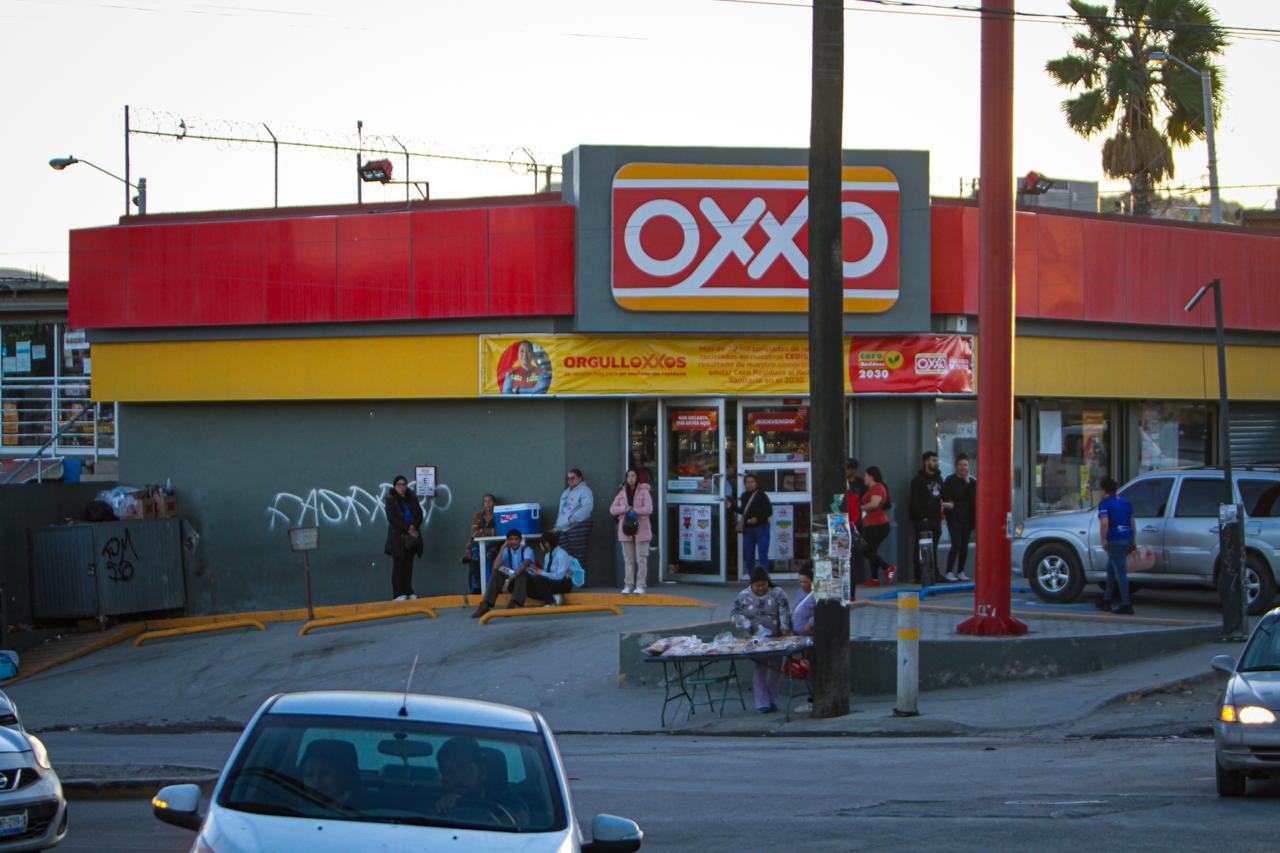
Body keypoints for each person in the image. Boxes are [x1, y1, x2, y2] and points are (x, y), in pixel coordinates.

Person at [731, 566, 793, 713]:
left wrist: (785, 629)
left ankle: (773, 699)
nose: (760, 588)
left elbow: (785, 611)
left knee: (776, 668)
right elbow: (734, 614)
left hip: (777, 637)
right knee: (760, 668)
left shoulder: (778, 593)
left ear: (768, 583)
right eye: (757, 586)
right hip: (755, 639)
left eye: (763, 585)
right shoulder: (743, 596)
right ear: (751, 585)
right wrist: (744, 622)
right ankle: (762, 702)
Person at [432, 737, 525, 824]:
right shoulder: (430, 801)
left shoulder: (509, 801)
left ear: (482, 771)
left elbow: (519, 821)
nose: (457, 778)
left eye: (464, 769)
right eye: (448, 772)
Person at [471, 530, 536, 618]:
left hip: (529, 580)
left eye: (516, 539)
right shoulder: (506, 550)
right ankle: (486, 604)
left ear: (520, 540)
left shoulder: (527, 550)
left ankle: (514, 603)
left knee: (521, 573)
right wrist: (502, 548)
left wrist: (508, 580)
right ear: (508, 541)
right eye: (511, 539)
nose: (514, 542)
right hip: (513, 577)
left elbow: (523, 566)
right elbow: (495, 566)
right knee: (497, 572)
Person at [610, 468, 654, 595]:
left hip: (641, 528)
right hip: (626, 529)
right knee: (628, 559)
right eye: (628, 476)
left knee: (641, 558)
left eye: (633, 475)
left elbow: (649, 508)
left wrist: (635, 510)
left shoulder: (644, 491)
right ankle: (628, 584)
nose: (630, 478)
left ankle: (641, 585)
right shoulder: (622, 492)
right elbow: (612, 509)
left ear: (637, 477)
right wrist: (625, 508)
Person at [1097, 476, 1137, 615]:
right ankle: (1106, 600)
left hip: (1115, 539)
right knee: (1111, 570)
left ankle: (1126, 604)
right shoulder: (1126, 502)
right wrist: (1133, 540)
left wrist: (1103, 540)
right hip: (1127, 538)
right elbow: (1132, 521)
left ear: (1103, 490)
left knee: (1120, 573)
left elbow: (1104, 523)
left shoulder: (1105, 504)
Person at [384, 475, 424, 601]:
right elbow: (392, 518)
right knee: (399, 565)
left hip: (411, 537)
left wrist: (414, 526)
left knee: (408, 565)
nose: (402, 487)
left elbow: (419, 513)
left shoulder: (411, 498)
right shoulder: (391, 499)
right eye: (399, 485)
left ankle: (408, 590)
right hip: (398, 537)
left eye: (404, 484)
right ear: (395, 486)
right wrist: (408, 528)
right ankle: (398, 593)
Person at [909, 451, 946, 586]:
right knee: (920, 548)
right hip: (923, 520)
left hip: (936, 519)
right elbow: (915, 501)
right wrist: (921, 517)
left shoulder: (939, 479)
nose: (935, 463)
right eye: (933, 460)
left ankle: (934, 573)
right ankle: (919, 575)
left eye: (937, 460)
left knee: (933, 548)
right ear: (926, 462)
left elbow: (944, 496)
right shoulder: (917, 480)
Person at [942, 454, 977, 582]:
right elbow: (948, 497)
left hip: (967, 518)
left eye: (965, 465)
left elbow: (973, 500)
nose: (963, 467)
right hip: (954, 516)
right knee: (956, 543)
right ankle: (949, 571)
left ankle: (961, 571)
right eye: (961, 465)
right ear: (956, 466)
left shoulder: (972, 482)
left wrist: (967, 482)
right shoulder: (949, 480)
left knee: (964, 545)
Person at [729, 473, 773, 572]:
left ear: (756, 483)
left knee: (762, 555)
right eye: (747, 482)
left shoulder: (761, 495)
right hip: (748, 530)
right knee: (749, 557)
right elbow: (744, 511)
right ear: (744, 484)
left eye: (752, 482)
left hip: (762, 529)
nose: (750, 484)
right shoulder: (744, 496)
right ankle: (752, 581)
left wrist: (757, 519)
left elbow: (769, 511)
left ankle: (764, 580)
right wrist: (732, 507)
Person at [859, 466, 895, 587]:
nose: (864, 478)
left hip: (878, 525)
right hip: (872, 524)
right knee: (872, 551)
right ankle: (874, 579)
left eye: (865, 475)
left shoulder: (877, 488)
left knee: (866, 550)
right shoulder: (874, 488)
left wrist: (859, 508)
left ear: (871, 476)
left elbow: (874, 504)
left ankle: (887, 567)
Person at [299, 739, 359, 806]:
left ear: (341, 777)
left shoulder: (365, 810)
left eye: (324, 774)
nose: (316, 780)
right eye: (309, 775)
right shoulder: (291, 806)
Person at [462, 493, 499, 594]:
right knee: (474, 555)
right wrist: (469, 545)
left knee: (488, 555)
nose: (488, 504)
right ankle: (477, 585)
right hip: (478, 545)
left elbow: (497, 532)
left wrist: (482, 531)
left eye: (490, 501)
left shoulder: (498, 515)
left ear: (494, 503)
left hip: (494, 545)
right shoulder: (478, 516)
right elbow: (474, 533)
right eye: (485, 501)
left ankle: (487, 586)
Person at [555, 468, 594, 561]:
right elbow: (561, 511)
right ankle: (568, 576)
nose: (570, 480)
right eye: (568, 478)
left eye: (573, 478)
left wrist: (572, 519)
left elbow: (587, 507)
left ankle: (579, 575)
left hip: (578, 527)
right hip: (563, 528)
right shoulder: (566, 492)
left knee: (578, 557)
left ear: (580, 478)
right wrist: (556, 526)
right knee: (564, 556)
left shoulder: (585, 490)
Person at [530, 531, 575, 606]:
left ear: (547, 543)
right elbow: (546, 572)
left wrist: (541, 573)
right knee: (531, 584)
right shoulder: (547, 555)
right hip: (552, 582)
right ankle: (552, 597)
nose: (541, 545)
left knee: (538, 580)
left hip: (563, 583)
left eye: (542, 543)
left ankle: (551, 602)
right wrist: (535, 571)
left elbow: (560, 576)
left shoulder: (561, 554)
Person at [792, 564, 815, 636]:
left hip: (809, 634)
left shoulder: (817, 595)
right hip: (797, 634)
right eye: (800, 582)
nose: (802, 585)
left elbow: (821, 612)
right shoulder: (800, 592)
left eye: (805, 582)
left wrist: (811, 623)